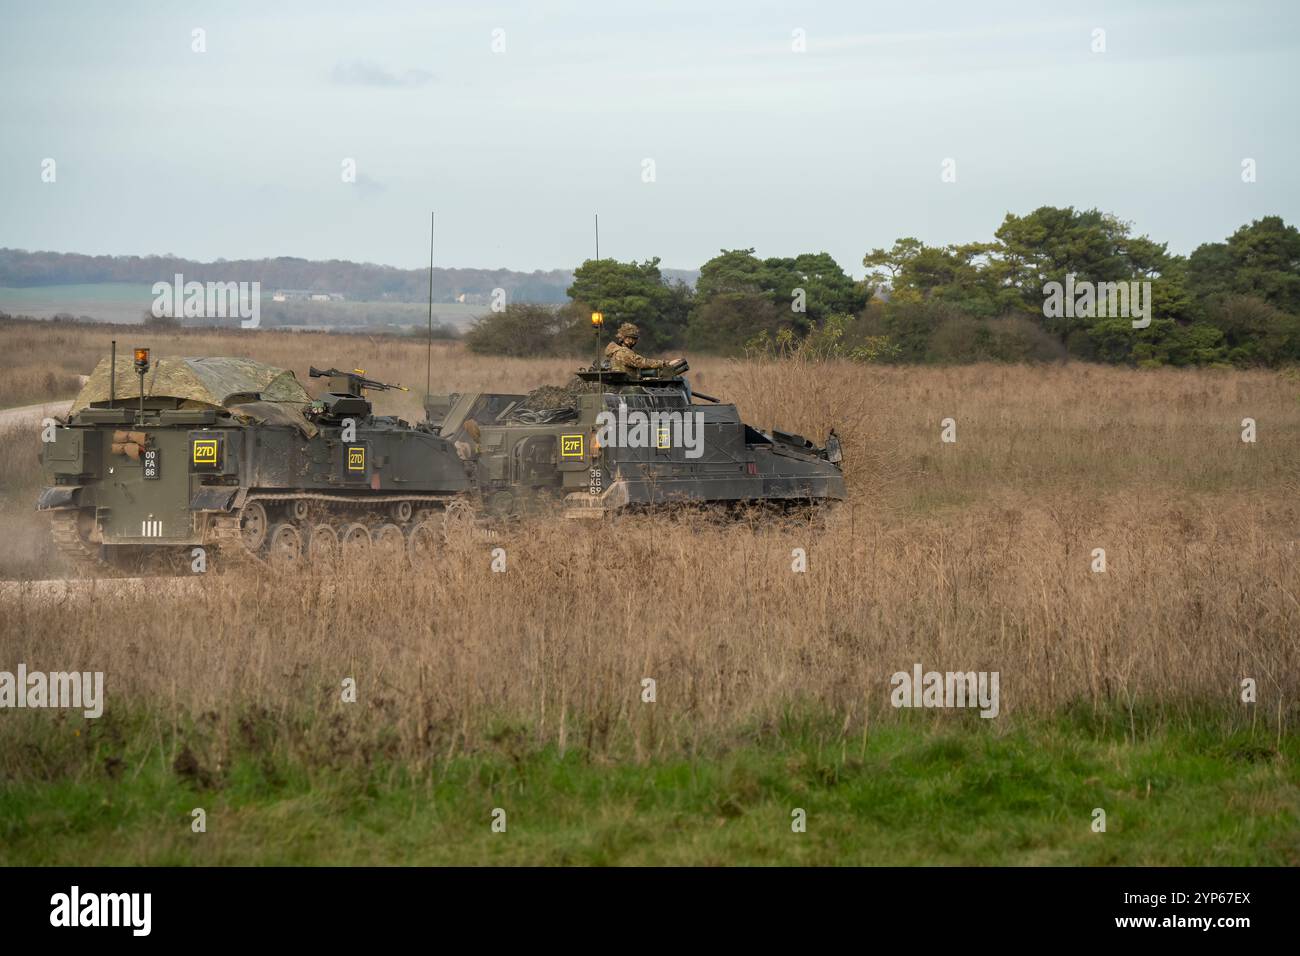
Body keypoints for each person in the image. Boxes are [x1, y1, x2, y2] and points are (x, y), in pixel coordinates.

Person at [604, 323, 675, 374]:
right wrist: (665, 363)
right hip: (628, 386)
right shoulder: (623, 352)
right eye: (632, 338)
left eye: (635, 339)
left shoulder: (615, 351)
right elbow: (642, 362)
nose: (634, 341)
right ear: (624, 338)